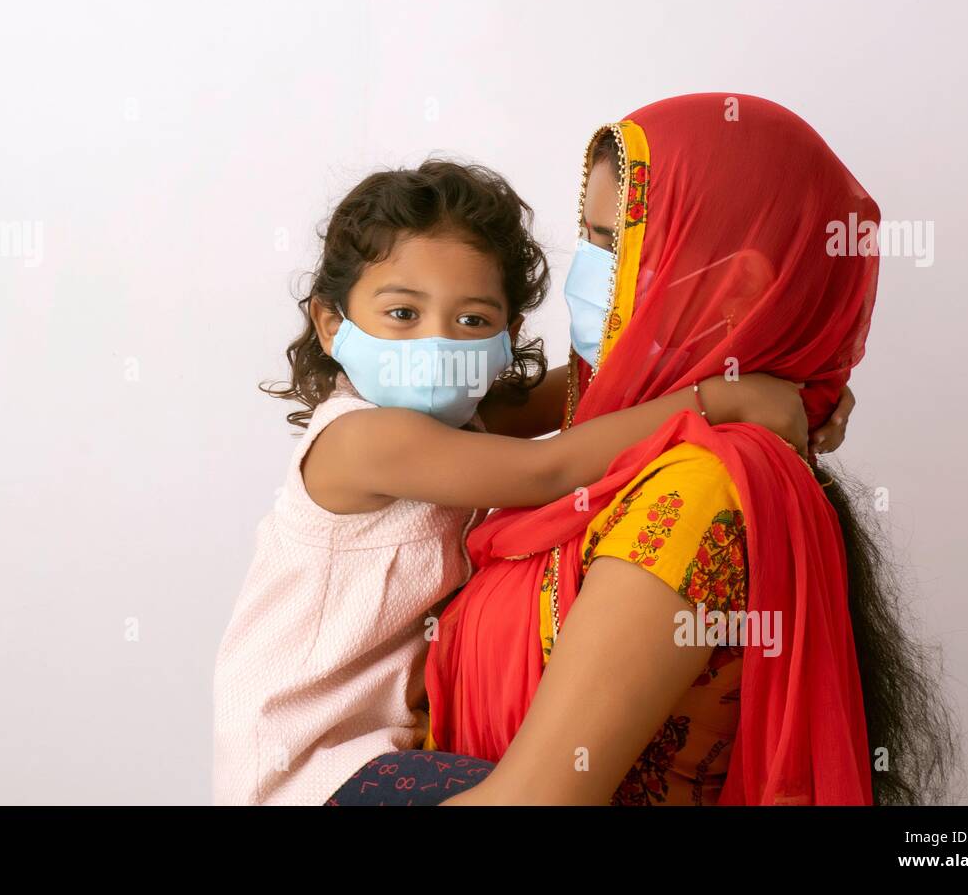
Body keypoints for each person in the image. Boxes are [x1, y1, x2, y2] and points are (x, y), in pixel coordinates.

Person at [407, 93, 956, 806]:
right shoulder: (641, 437)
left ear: (737, 288)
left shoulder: (693, 492)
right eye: (590, 236)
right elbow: (458, 403)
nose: (586, 267)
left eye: (616, 243)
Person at [213, 158, 817, 805]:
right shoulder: (363, 439)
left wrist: (753, 358)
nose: (437, 343)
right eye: (402, 313)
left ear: (509, 338)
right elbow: (547, 468)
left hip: (383, 747)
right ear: (334, 325)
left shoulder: (460, 416)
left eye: (472, 321)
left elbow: (596, 398)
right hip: (313, 765)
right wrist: (719, 401)